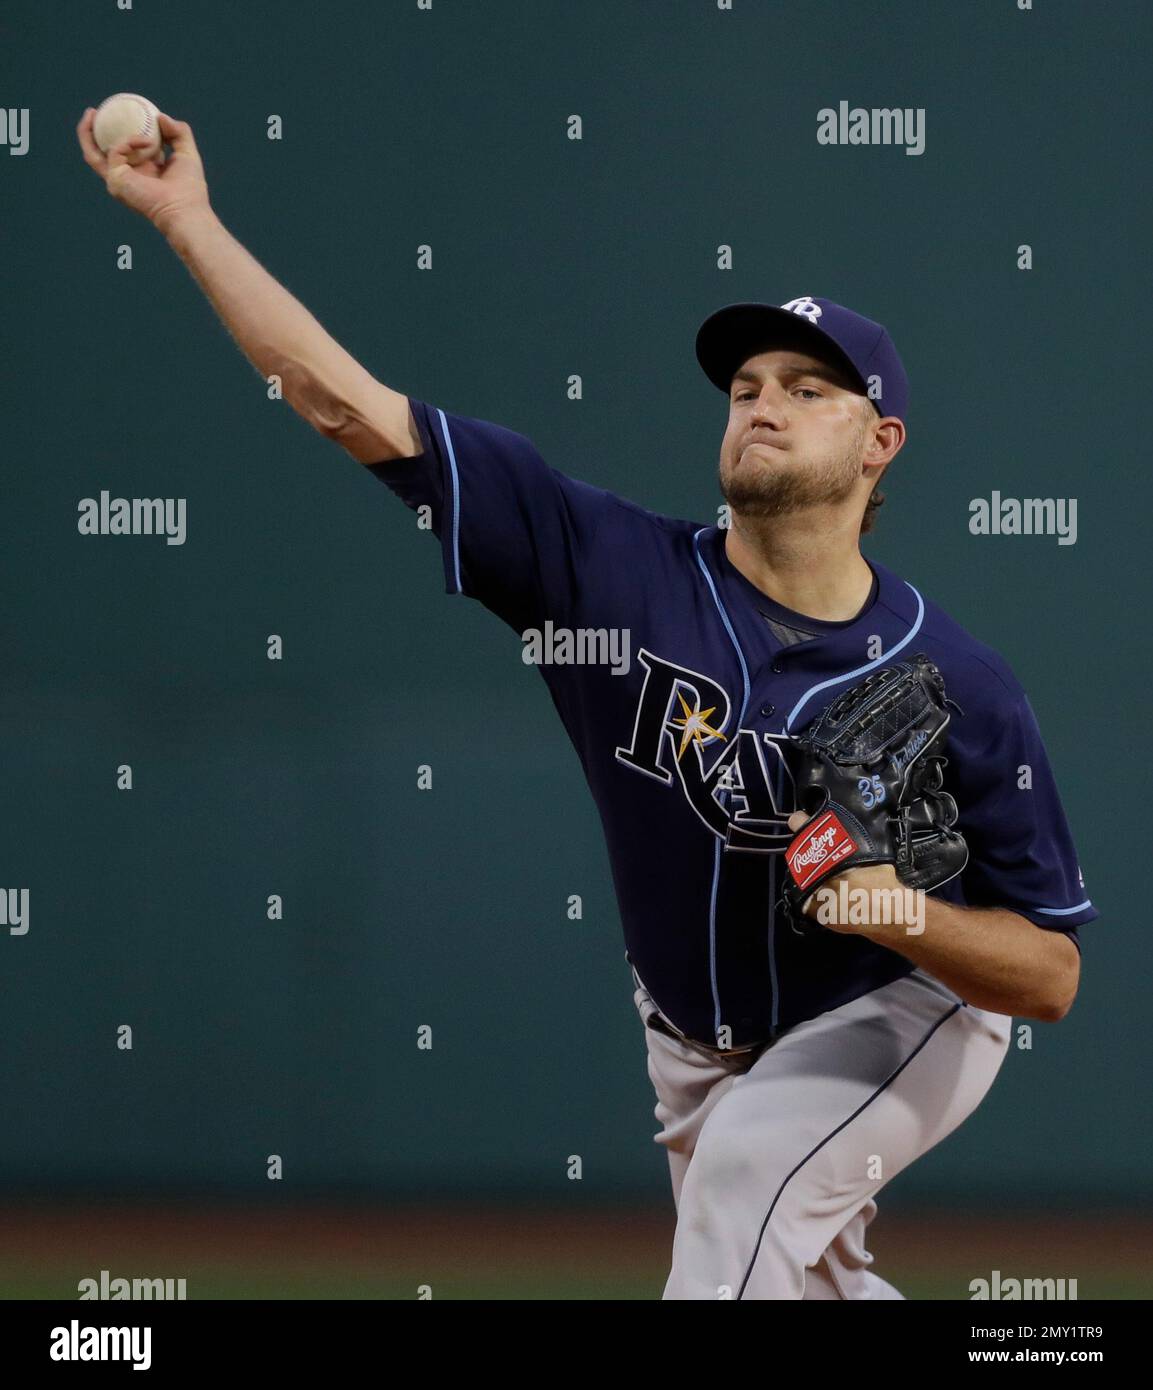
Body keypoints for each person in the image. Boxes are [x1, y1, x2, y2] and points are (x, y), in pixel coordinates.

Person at [78, 109, 1096, 1300]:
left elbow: (1050, 976)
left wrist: (904, 917)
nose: (761, 401)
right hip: (690, 1036)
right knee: (788, 1271)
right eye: (747, 383)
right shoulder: (603, 569)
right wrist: (188, 220)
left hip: (899, 1003)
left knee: (739, 1198)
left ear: (881, 442)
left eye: (808, 388)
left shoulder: (958, 684)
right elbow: (344, 402)